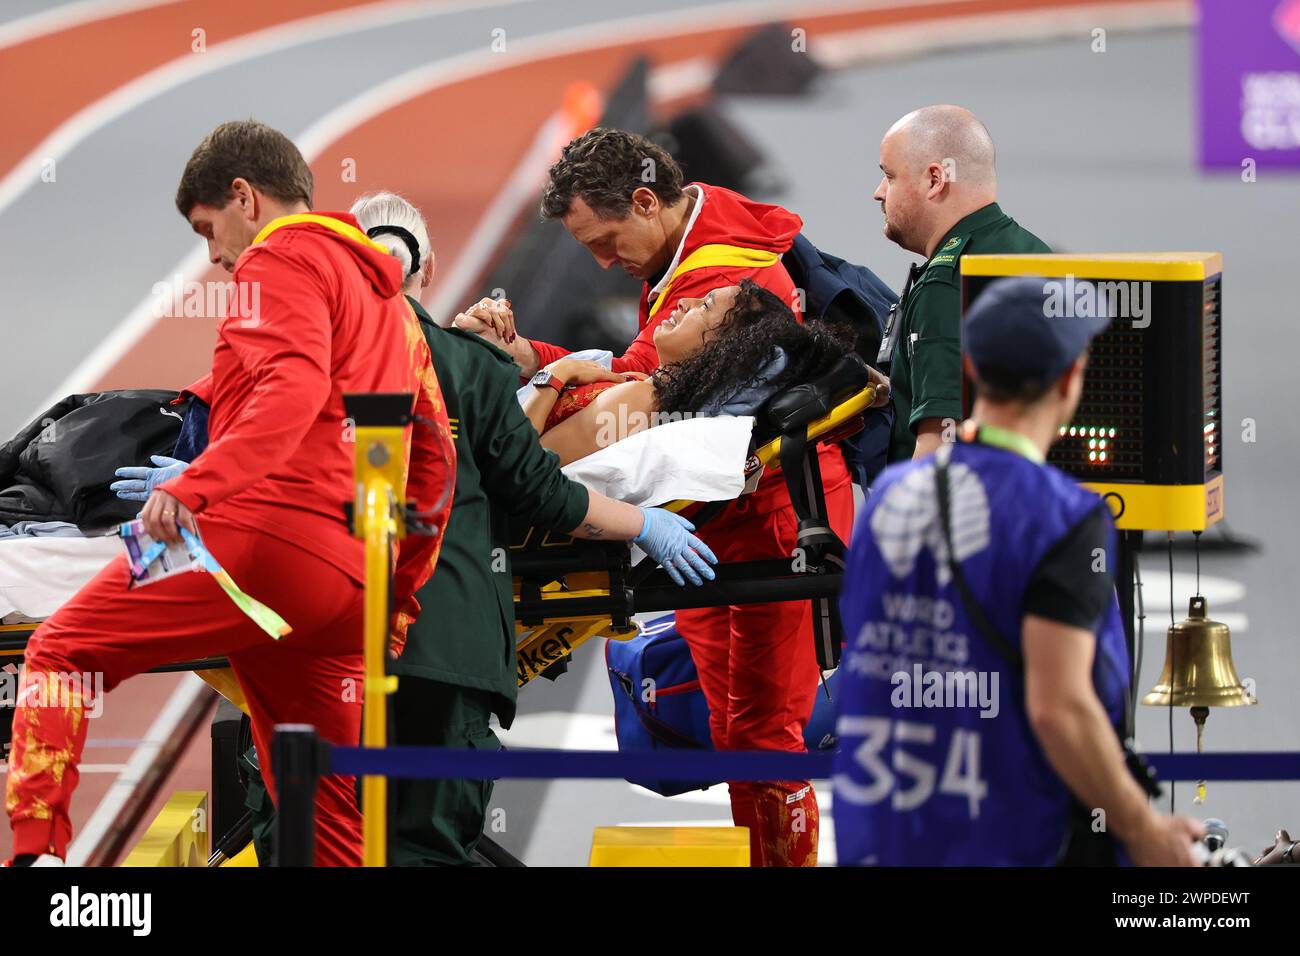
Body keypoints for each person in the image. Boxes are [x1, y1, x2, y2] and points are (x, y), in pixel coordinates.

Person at [4, 120, 456, 867]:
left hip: (252, 536)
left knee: (60, 653)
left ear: (245, 197)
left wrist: (196, 487)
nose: (214, 256)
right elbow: (430, 455)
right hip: (348, 580)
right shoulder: (389, 310)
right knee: (326, 811)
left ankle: (34, 855)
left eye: (209, 229)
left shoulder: (277, 258)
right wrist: (391, 592)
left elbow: (292, 387)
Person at [457, 128, 854, 866]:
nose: (603, 262)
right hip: (715, 517)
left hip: (774, 520)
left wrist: (543, 380)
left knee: (764, 733)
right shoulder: (691, 243)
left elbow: (628, 398)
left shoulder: (719, 275)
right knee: (734, 731)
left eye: (606, 241)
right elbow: (637, 379)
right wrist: (535, 363)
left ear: (644, 200)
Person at [352, 192, 718, 866]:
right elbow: (538, 490)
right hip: (445, 644)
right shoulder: (465, 364)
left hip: (333, 647)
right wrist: (643, 523)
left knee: (322, 832)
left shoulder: (306, 360)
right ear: (425, 268)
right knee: (426, 844)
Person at [833, 275, 1204, 866]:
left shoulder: (892, 495)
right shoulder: (1063, 517)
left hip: (886, 830)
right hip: (1003, 839)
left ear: (972, 366)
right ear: (1070, 379)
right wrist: (1144, 829)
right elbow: (1058, 709)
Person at [871, 105, 1050, 461]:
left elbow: (940, 448)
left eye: (889, 177)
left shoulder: (949, 284)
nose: (878, 193)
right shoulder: (1033, 252)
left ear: (935, 180)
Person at [519, 280, 859, 466]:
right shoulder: (645, 392)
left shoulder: (642, 402)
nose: (685, 302)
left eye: (705, 306)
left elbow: (517, 468)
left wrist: (555, 375)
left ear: (724, 352)